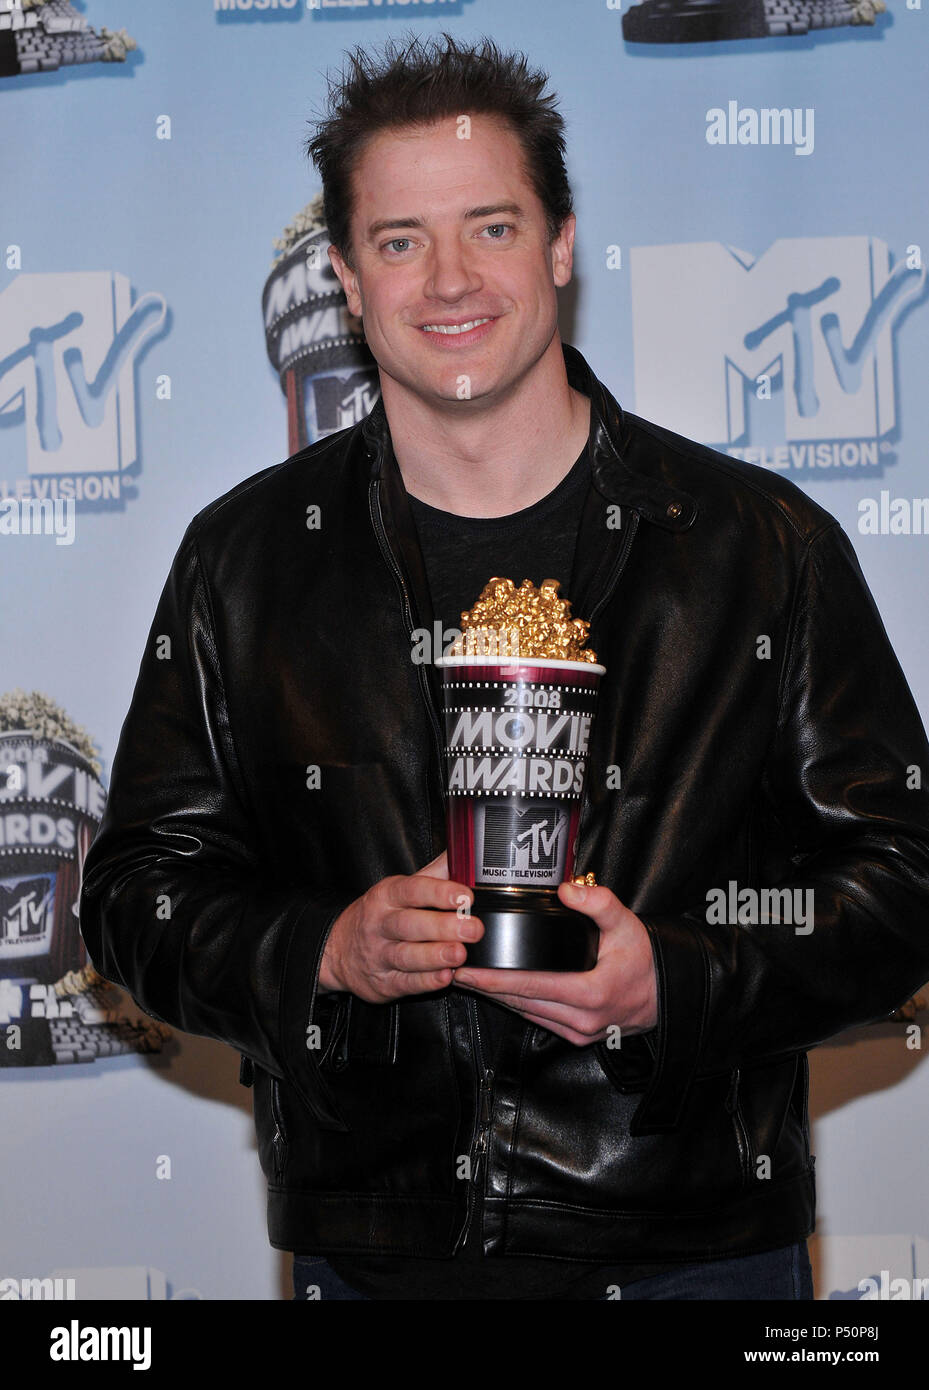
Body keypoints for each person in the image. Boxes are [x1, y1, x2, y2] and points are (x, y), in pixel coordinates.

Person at [79, 33, 929, 1302]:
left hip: (693, 1250)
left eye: (490, 226)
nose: (449, 279)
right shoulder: (246, 559)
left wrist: (676, 982)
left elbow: (901, 879)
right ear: (347, 279)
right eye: (400, 240)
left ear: (562, 246)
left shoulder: (759, 546)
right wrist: (325, 949)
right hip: (374, 1260)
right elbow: (137, 894)